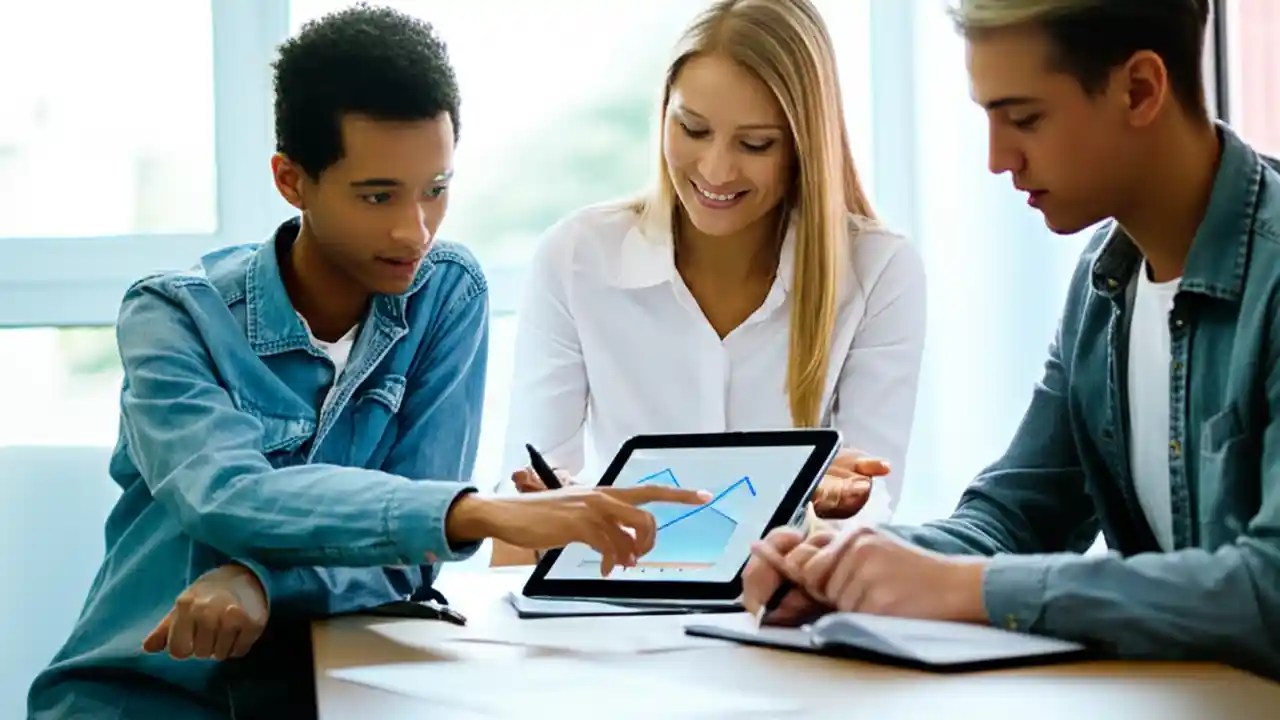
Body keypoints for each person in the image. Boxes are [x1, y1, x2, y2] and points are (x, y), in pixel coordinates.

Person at [27, 6, 709, 718]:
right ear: (291, 180)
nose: (414, 231)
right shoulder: (172, 316)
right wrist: (478, 513)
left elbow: (408, 558)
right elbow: (228, 497)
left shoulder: (446, 294)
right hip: (145, 695)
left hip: (340, 691)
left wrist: (264, 585)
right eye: (378, 196)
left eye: (435, 190)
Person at [742, 0, 1280, 678]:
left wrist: (965, 590)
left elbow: (1270, 589)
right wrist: (844, 566)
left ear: (1140, 90)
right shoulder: (1102, 284)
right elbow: (1016, 518)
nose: (998, 159)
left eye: (1024, 119)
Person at [492, 0, 927, 565]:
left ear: (804, 145)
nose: (716, 170)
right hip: (614, 602)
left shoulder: (879, 270)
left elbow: (864, 516)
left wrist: (837, 505)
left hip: (787, 599)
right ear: (663, 114)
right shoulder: (577, 258)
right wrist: (550, 516)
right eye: (692, 129)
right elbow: (520, 516)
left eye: (755, 144)